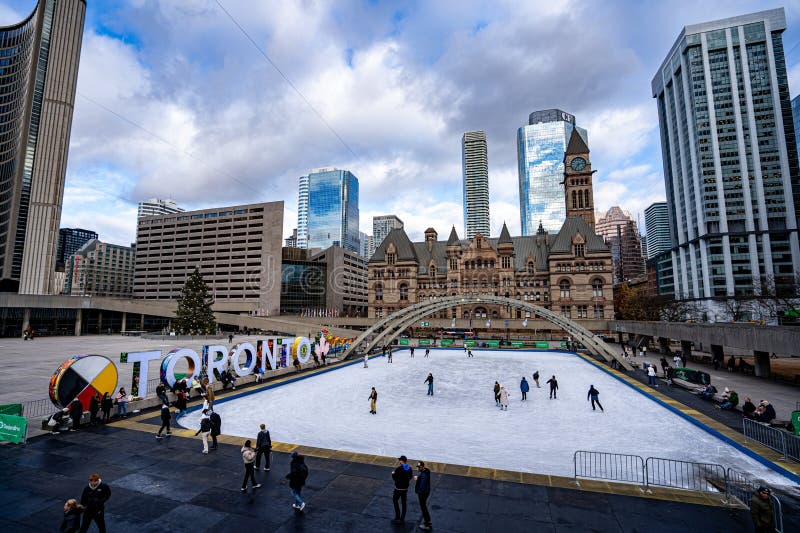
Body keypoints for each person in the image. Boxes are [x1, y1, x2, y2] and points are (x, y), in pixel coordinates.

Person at [391, 455, 414, 525]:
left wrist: (393, 474)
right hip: (405, 489)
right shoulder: (410, 469)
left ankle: (397, 516)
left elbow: (395, 478)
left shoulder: (398, 469)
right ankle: (402, 518)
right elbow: (410, 477)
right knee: (404, 503)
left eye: (399, 460)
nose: (399, 461)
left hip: (398, 489)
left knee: (395, 500)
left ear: (401, 461)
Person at [414, 461, 432, 531]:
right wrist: (419, 478)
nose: (417, 469)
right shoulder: (427, 471)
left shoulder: (423, 476)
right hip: (427, 491)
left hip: (423, 494)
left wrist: (417, 480)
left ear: (422, 467)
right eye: (417, 467)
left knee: (423, 508)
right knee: (424, 507)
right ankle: (428, 521)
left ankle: (427, 524)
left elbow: (422, 487)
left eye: (419, 467)